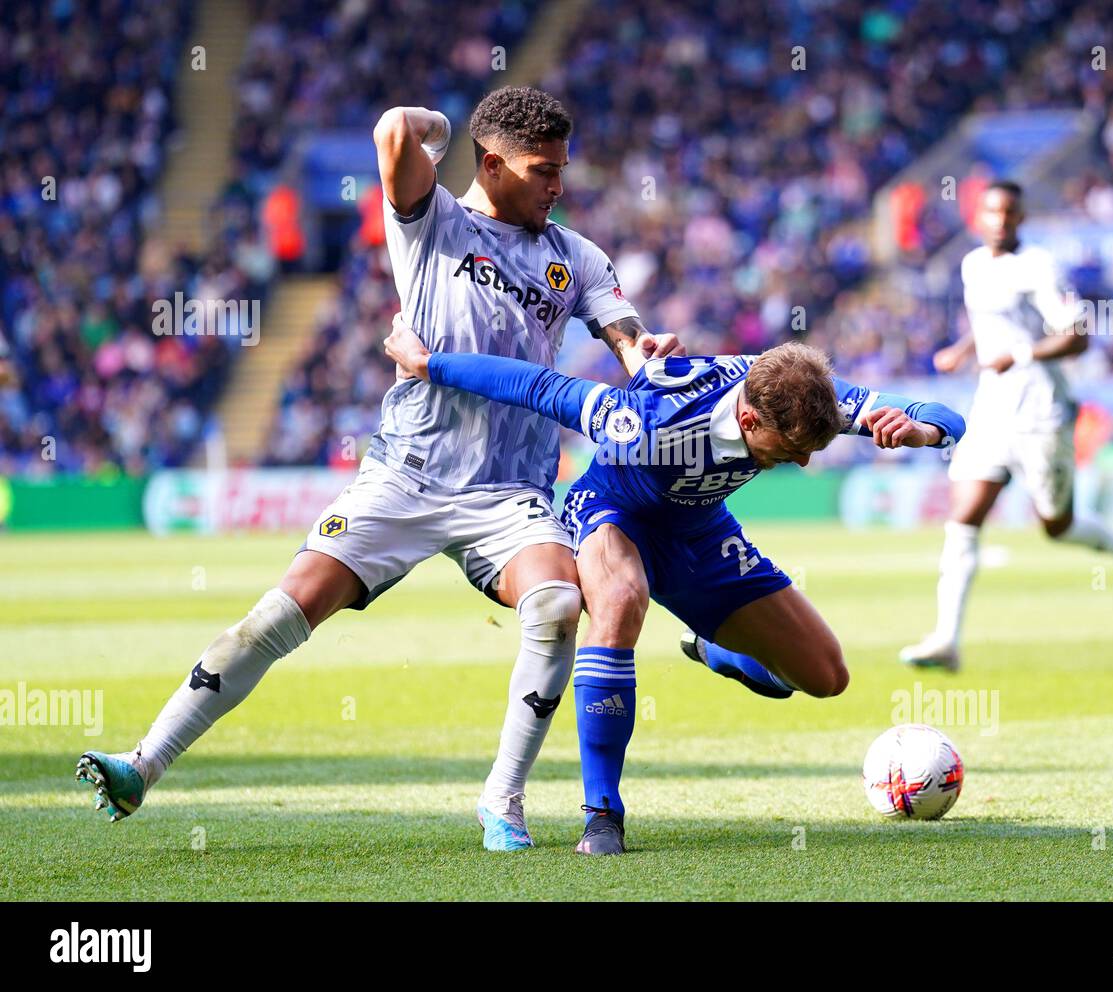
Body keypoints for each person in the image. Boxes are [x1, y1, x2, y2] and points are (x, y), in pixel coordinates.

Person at [76, 87, 682, 853]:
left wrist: (642, 352)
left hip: (509, 490)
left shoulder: (575, 256)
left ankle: (503, 800)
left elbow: (625, 332)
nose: (558, 186)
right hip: (407, 474)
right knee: (277, 615)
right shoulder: (431, 222)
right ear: (490, 165)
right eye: (542, 171)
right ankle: (142, 764)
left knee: (559, 605)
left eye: (562, 169)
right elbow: (397, 129)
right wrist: (445, 130)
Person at [383, 320, 965, 854]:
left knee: (825, 677)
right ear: (748, 421)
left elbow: (943, 414)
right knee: (619, 601)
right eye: (789, 453)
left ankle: (716, 648)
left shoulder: (798, 398)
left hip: (699, 529)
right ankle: (602, 815)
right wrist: (429, 364)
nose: (801, 464)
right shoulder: (655, 414)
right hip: (615, 512)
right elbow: (539, 386)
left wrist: (921, 429)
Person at [899, 180, 1113, 673]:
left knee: (1056, 527)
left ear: (1021, 218)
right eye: (992, 211)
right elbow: (987, 326)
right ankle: (945, 639)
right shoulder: (972, 264)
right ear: (979, 216)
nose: (999, 220)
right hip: (992, 410)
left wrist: (1017, 355)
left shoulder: (1039, 267)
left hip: (1042, 410)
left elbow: (1077, 338)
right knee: (963, 519)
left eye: (1009, 212)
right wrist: (963, 351)